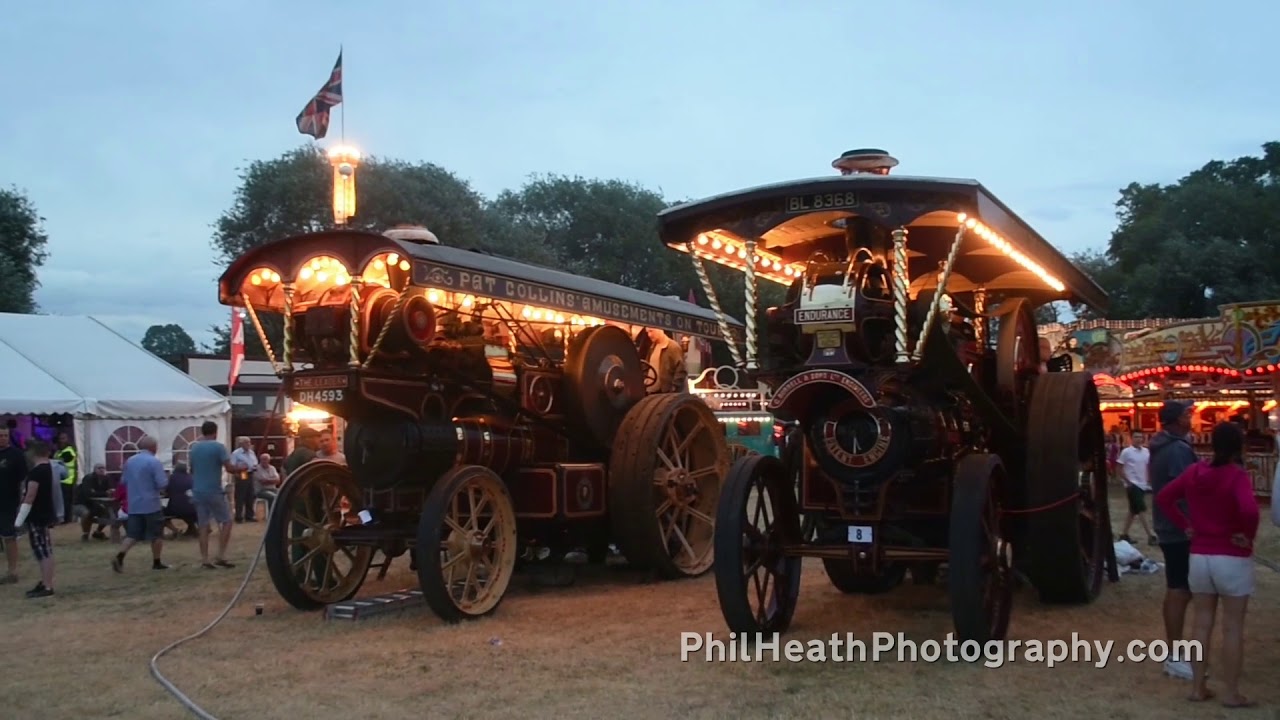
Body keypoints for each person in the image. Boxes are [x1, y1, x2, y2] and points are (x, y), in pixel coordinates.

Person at [1155, 422, 1259, 708]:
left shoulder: (1195, 471)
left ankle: (1198, 687)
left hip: (1200, 555)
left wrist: (1185, 524)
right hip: (1232, 556)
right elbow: (1250, 510)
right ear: (1239, 447)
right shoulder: (1236, 475)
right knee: (1233, 627)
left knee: (1201, 624)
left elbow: (1164, 497)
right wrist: (1246, 535)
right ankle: (1231, 692)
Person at [1148, 399, 1199, 680]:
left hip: (1170, 527)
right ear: (1177, 420)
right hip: (1180, 528)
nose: (1190, 417)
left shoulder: (1162, 447)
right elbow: (1185, 491)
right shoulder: (1178, 451)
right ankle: (1175, 654)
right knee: (1180, 589)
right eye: (1187, 414)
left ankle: (1174, 651)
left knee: (1178, 587)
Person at [188, 421, 243, 569]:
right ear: (215, 432)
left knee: (203, 526)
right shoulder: (218, 447)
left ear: (203, 431)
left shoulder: (194, 448)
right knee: (226, 521)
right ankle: (220, 555)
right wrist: (241, 468)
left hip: (198, 490)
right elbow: (229, 468)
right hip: (213, 490)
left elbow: (192, 469)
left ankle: (205, 559)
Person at [111, 436, 170, 572]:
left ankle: (120, 556)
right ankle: (156, 562)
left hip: (134, 504)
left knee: (133, 534)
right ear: (153, 447)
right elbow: (162, 484)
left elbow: (123, 481)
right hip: (151, 503)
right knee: (156, 534)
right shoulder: (154, 462)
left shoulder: (130, 462)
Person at [14, 440, 57, 598]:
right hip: (44, 514)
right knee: (45, 549)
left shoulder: (37, 472)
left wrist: (19, 520)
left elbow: (30, 495)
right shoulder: (48, 468)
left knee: (42, 550)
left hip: (37, 516)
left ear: (32, 453)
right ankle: (46, 581)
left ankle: (47, 585)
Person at [1117, 431, 1157, 545]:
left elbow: (1148, 466)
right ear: (1131, 438)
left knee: (1133, 510)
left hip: (1142, 484)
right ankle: (1150, 535)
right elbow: (1119, 467)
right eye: (1136, 437)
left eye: (1140, 437)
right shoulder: (1126, 452)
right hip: (1132, 484)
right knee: (1141, 509)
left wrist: (1149, 479)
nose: (1138, 439)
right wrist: (1127, 481)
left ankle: (1124, 534)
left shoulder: (1146, 452)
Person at [0, 426, 27, 584]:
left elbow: (23, 480)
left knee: (9, 537)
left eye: (5, 435)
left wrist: (22, 501)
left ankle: (12, 570)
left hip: (9, 503)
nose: (2, 438)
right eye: (0, 435)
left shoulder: (16, 455)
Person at [73, 463, 114, 541]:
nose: (102, 470)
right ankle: (85, 534)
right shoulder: (88, 478)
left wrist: (109, 492)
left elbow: (109, 490)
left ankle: (98, 532)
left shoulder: (106, 479)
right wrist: (104, 493)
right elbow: (88, 493)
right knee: (86, 513)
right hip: (81, 503)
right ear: (94, 470)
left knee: (108, 514)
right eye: (99, 468)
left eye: (103, 468)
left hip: (94, 503)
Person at [641, 327, 688, 394]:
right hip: (651, 391)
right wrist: (645, 379)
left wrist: (674, 387)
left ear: (659, 329)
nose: (649, 335)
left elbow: (681, 369)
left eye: (651, 331)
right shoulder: (652, 347)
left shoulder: (673, 347)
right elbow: (646, 366)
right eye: (647, 332)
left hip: (665, 392)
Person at [163, 463, 198, 538]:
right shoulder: (191, 478)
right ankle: (193, 530)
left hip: (176, 508)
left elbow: (167, 492)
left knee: (160, 514)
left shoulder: (172, 478)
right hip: (193, 508)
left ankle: (176, 530)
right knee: (188, 511)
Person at [230, 436, 259, 523]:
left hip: (251, 473)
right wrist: (237, 471)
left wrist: (255, 466)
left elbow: (255, 462)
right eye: (246, 442)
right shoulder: (236, 453)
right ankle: (238, 516)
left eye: (249, 442)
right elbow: (232, 465)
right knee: (240, 494)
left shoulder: (251, 452)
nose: (248, 444)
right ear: (241, 444)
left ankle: (249, 515)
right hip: (242, 473)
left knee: (250, 494)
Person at [54, 432, 77, 524]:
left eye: (63, 438)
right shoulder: (59, 451)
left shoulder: (69, 451)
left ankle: (66, 520)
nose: (61, 440)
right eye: (60, 438)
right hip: (59, 480)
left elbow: (59, 461)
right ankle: (61, 518)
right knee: (60, 500)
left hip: (67, 480)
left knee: (65, 501)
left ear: (67, 439)